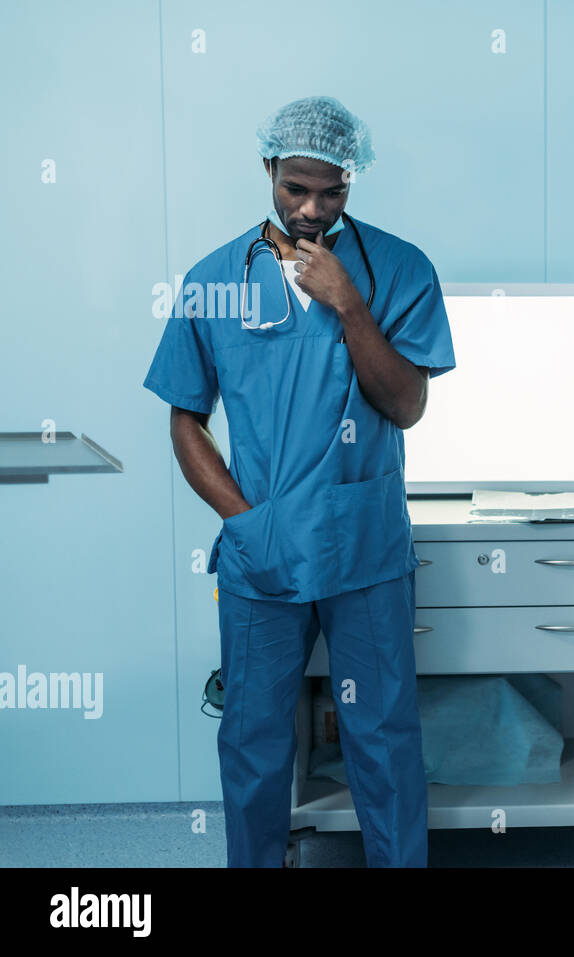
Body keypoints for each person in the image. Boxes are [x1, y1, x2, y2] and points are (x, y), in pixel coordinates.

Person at [143, 96, 455, 867]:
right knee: (251, 737)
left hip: (365, 549)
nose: (312, 209)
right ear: (268, 171)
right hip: (262, 550)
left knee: (382, 736)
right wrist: (245, 522)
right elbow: (186, 419)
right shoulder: (215, 279)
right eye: (295, 189)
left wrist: (350, 306)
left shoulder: (399, 269)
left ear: (353, 180)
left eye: (332, 191)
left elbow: (407, 404)